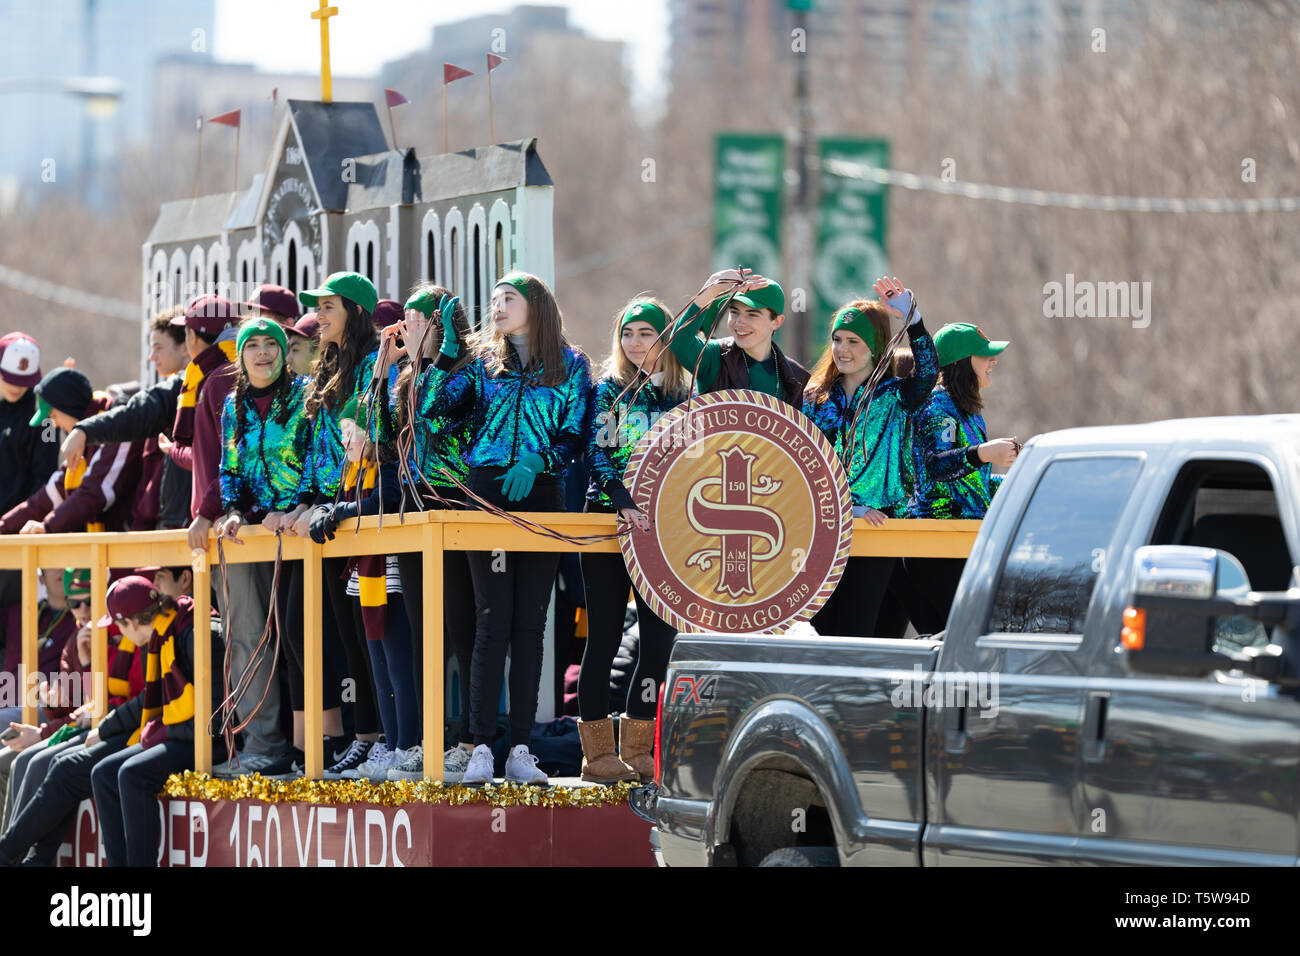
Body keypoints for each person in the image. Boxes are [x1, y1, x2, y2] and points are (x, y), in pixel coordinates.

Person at [418, 271, 591, 787]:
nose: (496, 306)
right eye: (492, 299)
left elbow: (577, 434)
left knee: (530, 623)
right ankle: (479, 748)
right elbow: (429, 412)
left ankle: (520, 747)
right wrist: (448, 355)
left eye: (508, 298)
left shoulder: (572, 364)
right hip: (486, 498)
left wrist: (539, 460)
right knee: (492, 619)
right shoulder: (481, 365)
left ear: (536, 305)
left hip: (541, 498)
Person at [310, 285, 475, 782]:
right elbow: (381, 435)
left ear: (443, 323)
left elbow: (430, 416)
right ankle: (404, 741)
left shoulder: (464, 371)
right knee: (389, 647)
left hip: (447, 514)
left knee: (451, 642)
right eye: (404, 317)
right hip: (404, 524)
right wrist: (382, 375)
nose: (406, 328)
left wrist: (439, 355)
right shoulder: (403, 377)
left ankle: (445, 741)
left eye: (418, 318)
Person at [278, 273, 384, 777]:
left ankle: (370, 737)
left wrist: (325, 502)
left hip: (355, 513)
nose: (318, 317)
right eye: (316, 308)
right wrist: (302, 502)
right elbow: (311, 452)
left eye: (328, 307)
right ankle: (328, 741)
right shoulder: (327, 367)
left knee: (363, 635)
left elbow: (363, 442)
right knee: (307, 627)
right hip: (322, 514)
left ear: (355, 311)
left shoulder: (369, 366)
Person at [577, 298, 686, 783]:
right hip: (607, 520)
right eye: (628, 333)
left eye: (646, 333)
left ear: (666, 339)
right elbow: (598, 454)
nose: (636, 342)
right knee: (601, 635)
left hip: (661, 531)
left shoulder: (686, 393)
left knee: (658, 640)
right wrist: (622, 499)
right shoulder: (609, 391)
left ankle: (640, 748)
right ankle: (597, 755)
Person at [801, 277, 939, 637]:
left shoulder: (895, 396)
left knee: (857, 629)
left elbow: (927, 373)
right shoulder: (816, 397)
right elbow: (805, 463)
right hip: (825, 529)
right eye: (837, 340)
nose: (842, 349)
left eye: (853, 341)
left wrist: (913, 318)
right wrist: (845, 508)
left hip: (876, 530)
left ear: (876, 346)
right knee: (821, 631)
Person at [206, 316, 311, 776]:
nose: (263, 353)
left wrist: (297, 507)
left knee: (300, 639)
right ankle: (261, 744)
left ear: (285, 351)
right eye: (254, 346)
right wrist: (231, 510)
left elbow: (318, 460)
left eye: (272, 344)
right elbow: (230, 467)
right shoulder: (234, 405)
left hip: (298, 533)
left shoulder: (308, 395)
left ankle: (312, 748)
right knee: (247, 636)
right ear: (241, 356)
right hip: (250, 534)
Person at [0, 573, 152, 867]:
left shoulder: (129, 635)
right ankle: (18, 856)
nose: (83, 611)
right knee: (26, 762)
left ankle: (13, 855)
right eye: (75, 603)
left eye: (89, 602)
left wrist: (46, 732)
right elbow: (80, 707)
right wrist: (53, 709)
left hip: (129, 729)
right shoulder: (79, 637)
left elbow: (126, 702)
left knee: (49, 764)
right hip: (102, 725)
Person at [89, 576, 224, 867]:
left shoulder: (196, 633)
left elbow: (217, 720)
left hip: (211, 739)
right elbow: (151, 700)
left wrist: (167, 730)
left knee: (131, 774)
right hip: (182, 732)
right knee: (102, 772)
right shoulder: (162, 633)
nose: (121, 634)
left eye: (119, 626)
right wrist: (105, 728)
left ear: (133, 624)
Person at [904, 322, 1017, 633]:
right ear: (962, 362)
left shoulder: (968, 409)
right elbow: (937, 467)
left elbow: (971, 485)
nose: (992, 361)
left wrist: (1020, 481)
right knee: (961, 639)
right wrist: (984, 453)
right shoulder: (937, 404)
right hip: (934, 547)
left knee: (961, 643)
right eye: (984, 356)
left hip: (959, 542)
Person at [60, 309, 192, 531]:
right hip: (169, 527)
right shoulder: (178, 392)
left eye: (158, 348)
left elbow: (133, 415)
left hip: (183, 530)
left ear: (185, 347)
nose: (152, 357)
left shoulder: (182, 391)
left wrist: (83, 431)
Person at [0, 367, 142, 536]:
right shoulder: (84, 439)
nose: (55, 425)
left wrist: (48, 526)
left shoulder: (117, 426)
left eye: (53, 416)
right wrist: (4, 525)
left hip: (133, 544)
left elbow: (95, 492)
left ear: (69, 407)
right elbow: (52, 492)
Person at [667, 268, 809, 407]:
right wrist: (712, 288)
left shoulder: (796, 377)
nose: (739, 322)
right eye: (734, 312)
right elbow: (679, 342)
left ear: (776, 322)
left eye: (752, 314)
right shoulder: (715, 356)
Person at [0, 332, 58, 608]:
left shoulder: (43, 417)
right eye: (10, 378)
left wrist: (17, 522)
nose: (16, 387)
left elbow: (44, 479)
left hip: (18, 535)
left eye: (23, 381)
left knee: (13, 617)